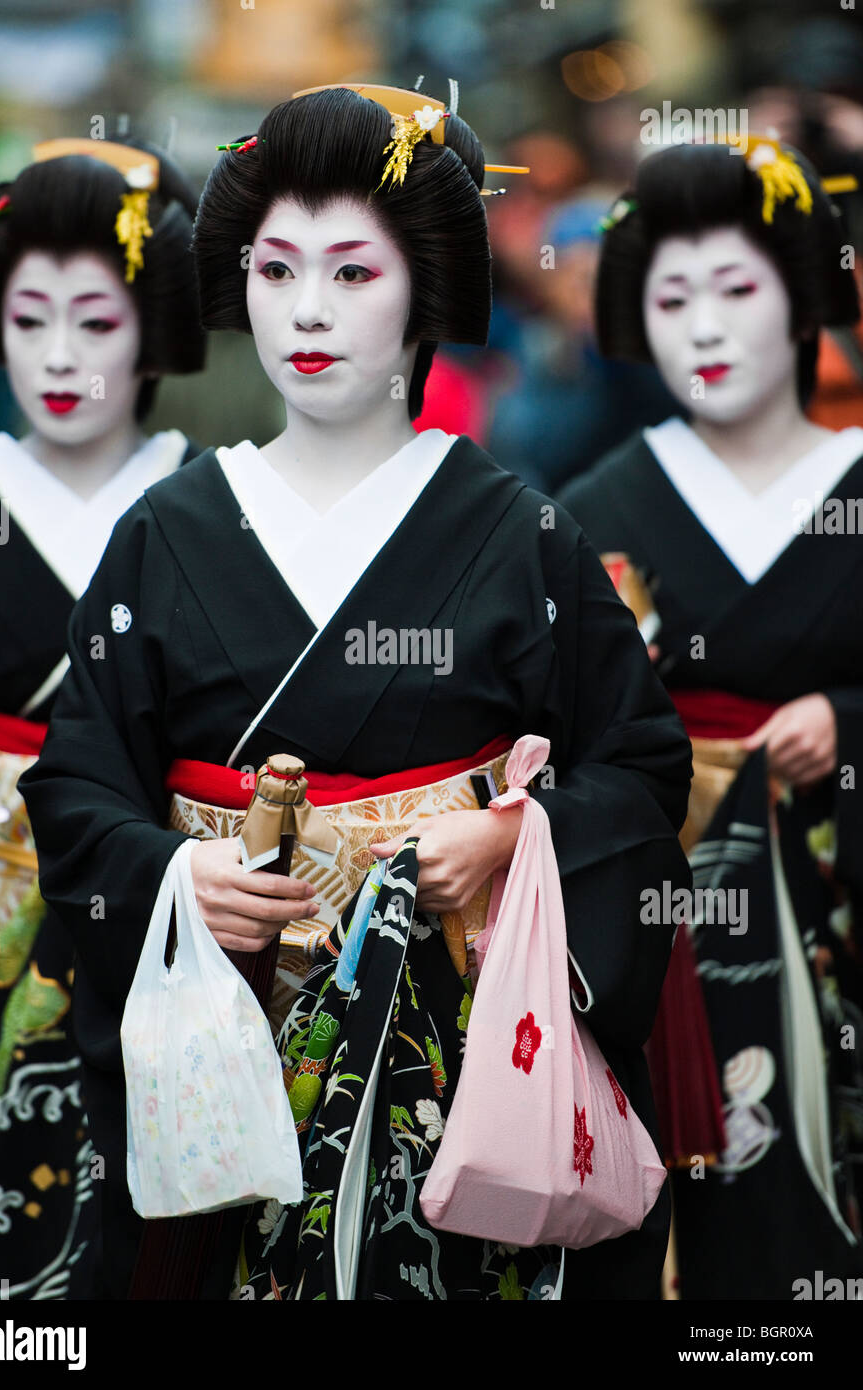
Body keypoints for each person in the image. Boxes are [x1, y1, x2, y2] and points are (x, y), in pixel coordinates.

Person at [20, 83, 692, 1301]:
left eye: (350, 272)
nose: (306, 311)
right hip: (219, 1035)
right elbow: (76, 774)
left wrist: (511, 835)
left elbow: (641, 768)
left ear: (426, 286)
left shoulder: (522, 530)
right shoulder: (164, 533)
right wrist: (169, 874)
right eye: (275, 272)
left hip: (442, 1047)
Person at [559, 138, 863, 1300]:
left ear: (800, 293)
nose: (705, 327)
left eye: (737, 289)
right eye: (671, 297)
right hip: (659, 926)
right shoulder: (594, 506)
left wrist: (845, 714)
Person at [0, 138, 205, 1300]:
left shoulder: (214, 514)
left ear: (154, 325)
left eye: (95, 321)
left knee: (139, 1196)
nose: (57, 355)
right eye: (30, 315)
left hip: (155, 912)